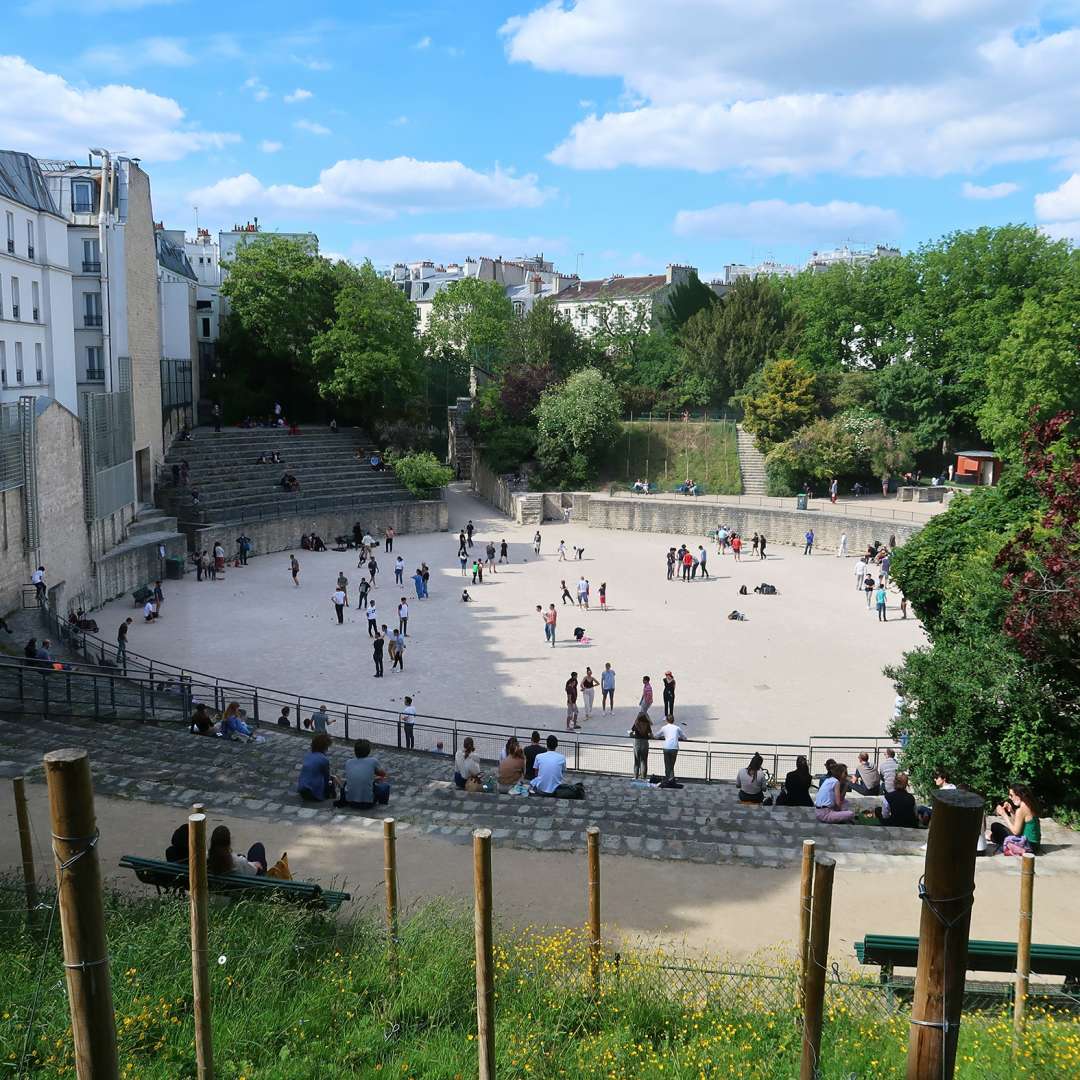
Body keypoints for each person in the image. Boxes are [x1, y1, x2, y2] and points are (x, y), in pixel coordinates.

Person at [989, 784, 1041, 855]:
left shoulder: (1021, 810)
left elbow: (1016, 832)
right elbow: (1019, 825)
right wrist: (1011, 812)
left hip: (1027, 845)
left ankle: (995, 839)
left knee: (995, 826)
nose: (1010, 797)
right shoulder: (1031, 805)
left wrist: (1003, 814)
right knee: (997, 829)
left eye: (1011, 795)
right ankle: (994, 838)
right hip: (1035, 845)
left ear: (1019, 795)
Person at [336, 740, 390, 809]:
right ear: (368, 751)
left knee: (347, 782)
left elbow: (358, 777)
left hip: (351, 802)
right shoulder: (372, 761)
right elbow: (383, 774)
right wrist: (377, 777)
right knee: (385, 786)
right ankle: (383, 806)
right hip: (367, 804)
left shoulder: (348, 762)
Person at [297, 732, 337, 802]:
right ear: (325, 747)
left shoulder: (308, 755)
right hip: (313, 793)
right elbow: (327, 777)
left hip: (302, 789)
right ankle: (331, 796)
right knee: (331, 780)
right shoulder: (324, 759)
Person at [658, 716, 686, 781]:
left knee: (667, 764)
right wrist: (678, 737)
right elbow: (684, 737)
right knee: (672, 764)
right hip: (674, 747)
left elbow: (656, 735)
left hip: (667, 747)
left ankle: (668, 778)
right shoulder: (677, 728)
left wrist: (664, 736)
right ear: (673, 720)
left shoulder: (664, 728)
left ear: (667, 720)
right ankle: (671, 778)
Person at [629, 712, 653, 779]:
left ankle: (635, 777)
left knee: (636, 762)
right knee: (644, 761)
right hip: (645, 743)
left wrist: (632, 735)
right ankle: (643, 777)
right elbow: (651, 735)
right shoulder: (647, 724)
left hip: (637, 743)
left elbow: (631, 732)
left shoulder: (636, 723)